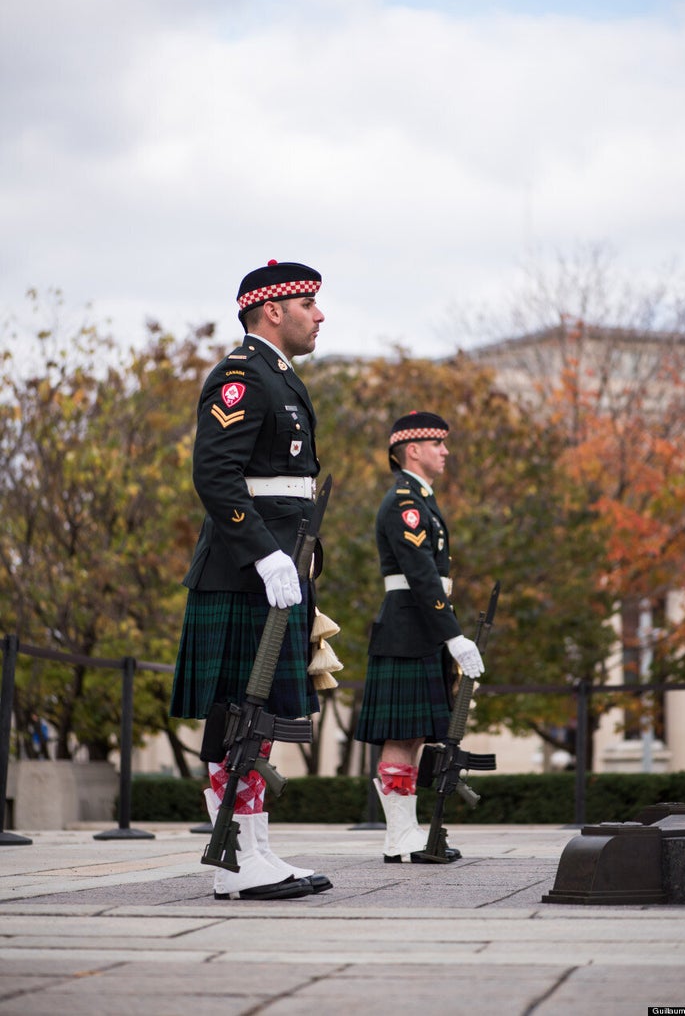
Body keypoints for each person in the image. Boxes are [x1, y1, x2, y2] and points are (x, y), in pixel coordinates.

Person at [170, 259, 332, 900]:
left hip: (276, 568)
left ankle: (253, 846)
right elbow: (215, 475)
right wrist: (265, 553)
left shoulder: (281, 379)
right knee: (234, 712)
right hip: (244, 570)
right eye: (309, 304)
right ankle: (229, 861)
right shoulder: (241, 376)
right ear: (273, 310)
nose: (319, 315)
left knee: (259, 718)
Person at [355, 411, 485, 863]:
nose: (445, 451)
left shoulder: (422, 501)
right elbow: (422, 574)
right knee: (400, 733)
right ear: (413, 449)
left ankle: (407, 834)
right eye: (438, 444)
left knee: (414, 737)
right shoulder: (404, 503)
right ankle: (399, 836)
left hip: (420, 625)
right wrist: (453, 634)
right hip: (409, 624)